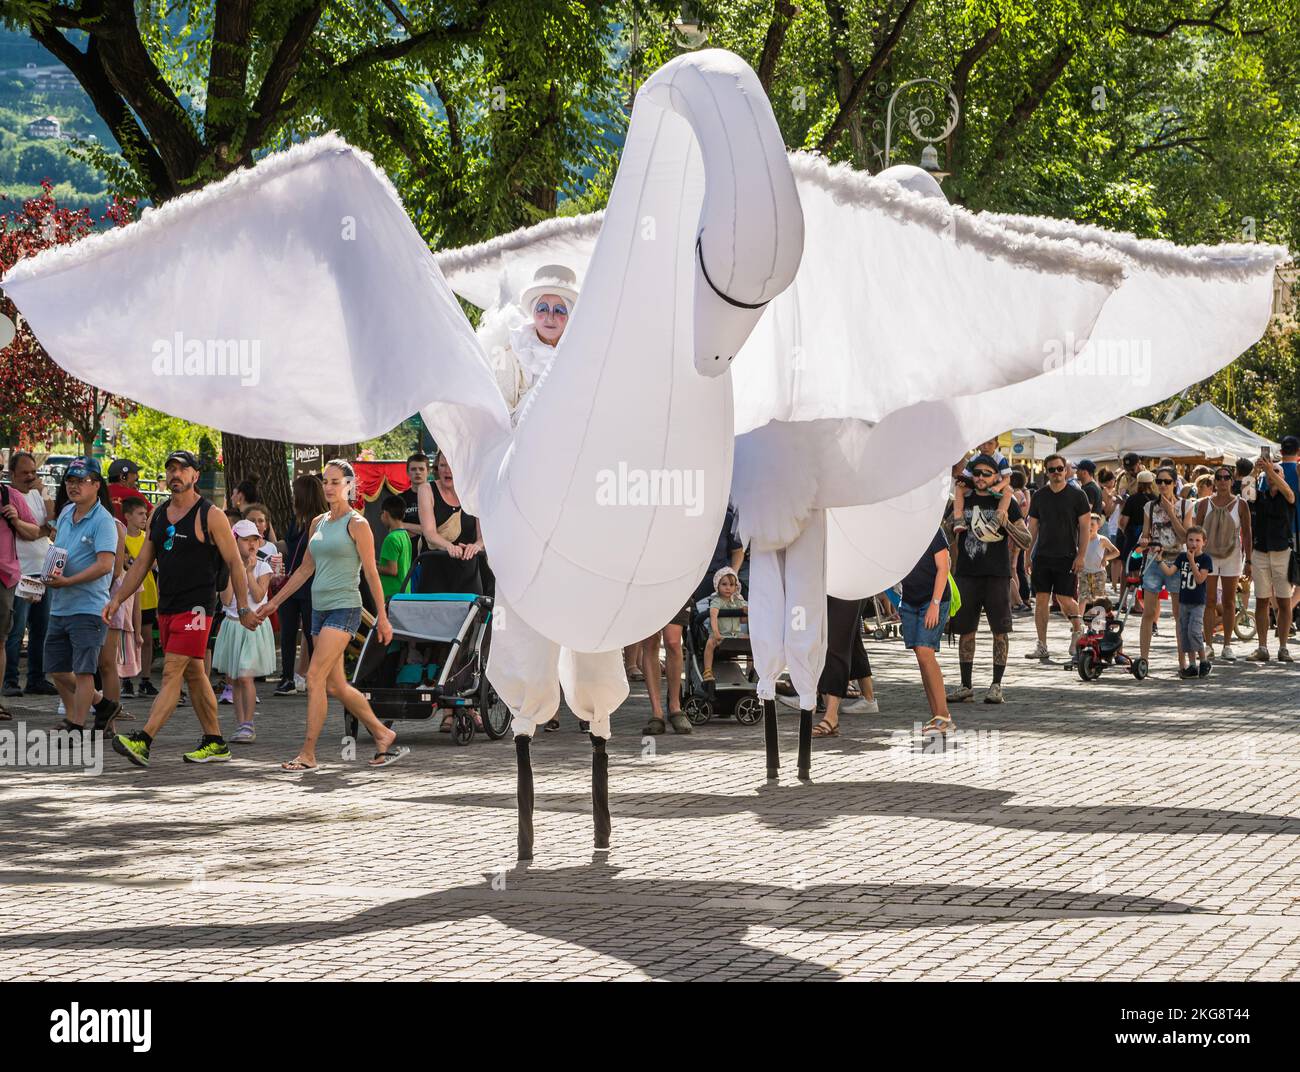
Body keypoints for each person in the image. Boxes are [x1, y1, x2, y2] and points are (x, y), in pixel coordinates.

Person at [106, 450, 257, 768]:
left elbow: (234, 562)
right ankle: (215, 741)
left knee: (173, 669)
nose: (175, 474)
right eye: (170, 468)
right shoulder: (159, 514)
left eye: (182, 469)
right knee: (194, 674)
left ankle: (144, 740)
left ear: (195, 476)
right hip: (168, 606)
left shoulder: (210, 514)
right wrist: (118, 598)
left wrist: (243, 606)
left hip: (197, 608)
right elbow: (143, 564)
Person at [257, 459, 404, 771]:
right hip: (319, 609)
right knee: (335, 686)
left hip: (345, 607)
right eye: (325, 481)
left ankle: (308, 754)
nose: (328, 487)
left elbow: (372, 575)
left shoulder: (358, 524)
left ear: (349, 485)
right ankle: (382, 732)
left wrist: (383, 616)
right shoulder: (318, 523)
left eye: (335, 481)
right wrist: (274, 602)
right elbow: (305, 569)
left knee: (314, 677)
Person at [946, 453, 1030, 702]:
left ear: (996, 476)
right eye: (978, 473)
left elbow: (1026, 540)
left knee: (999, 631)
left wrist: (1007, 525)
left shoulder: (1007, 502)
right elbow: (945, 533)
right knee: (966, 631)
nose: (981, 478)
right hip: (966, 574)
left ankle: (996, 685)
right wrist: (952, 524)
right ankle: (965, 685)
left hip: (997, 574)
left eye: (987, 473)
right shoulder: (963, 500)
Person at [42, 458, 116, 732]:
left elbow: (106, 564)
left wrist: (70, 580)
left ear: (96, 484)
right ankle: (103, 704)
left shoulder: (104, 520)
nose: (73, 487)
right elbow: (59, 552)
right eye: (70, 481)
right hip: (60, 604)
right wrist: (45, 579)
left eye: (80, 481)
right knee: (57, 670)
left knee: (84, 671)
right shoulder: (65, 512)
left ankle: (75, 724)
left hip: (88, 607)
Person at [213, 520, 277, 744]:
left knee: (245, 676)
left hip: (253, 626)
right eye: (245, 540)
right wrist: (235, 570)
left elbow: (259, 596)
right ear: (234, 541)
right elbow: (227, 599)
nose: (251, 544)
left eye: (255, 539)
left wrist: (248, 572)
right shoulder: (226, 567)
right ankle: (240, 724)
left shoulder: (263, 567)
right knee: (236, 680)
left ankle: (249, 724)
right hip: (233, 624)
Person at [3, 451, 57, 699]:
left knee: (41, 628)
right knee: (17, 629)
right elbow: (26, 532)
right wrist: (41, 530)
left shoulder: (37, 494)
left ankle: (37, 678)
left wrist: (44, 491)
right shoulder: (9, 496)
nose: (30, 476)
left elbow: (53, 522)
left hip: (43, 570)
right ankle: (10, 679)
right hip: (22, 571)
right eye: (24, 472)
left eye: (33, 472)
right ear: (12, 474)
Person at [274, 474, 328, 696]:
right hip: (292, 584)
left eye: (295, 493)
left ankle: (318, 676)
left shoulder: (320, 522)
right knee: (288, 632)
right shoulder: (297, 521)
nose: (292, 497)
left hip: (310, 585)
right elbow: (288, 546)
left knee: (310, 632)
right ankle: (287, 677)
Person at [1136, 465, 1195, 666]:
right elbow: (1145, 533)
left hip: (1177, 560)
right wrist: (1143, 540)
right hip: (1154, 560)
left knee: (1179, 614)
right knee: (1148, 612)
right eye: (1159, 481)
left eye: (1166, 481)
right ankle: (1143, 659)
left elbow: (1185, 537)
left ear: (1174, 483)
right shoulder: (1149, 507)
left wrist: (1170, 511)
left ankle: (1182, 662)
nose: (1162, 485)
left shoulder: (1186, 505)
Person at [899, 528, 954, 734]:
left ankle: (944, 717)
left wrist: (935, 603)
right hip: (910, 600)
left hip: (934, 600)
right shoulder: (899, 533)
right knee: (921, 657)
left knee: (925, 652)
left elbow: (943, 568)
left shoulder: (932, 529)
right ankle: (938, 716)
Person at [1194, 466, 1252, 662]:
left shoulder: (1241, 504)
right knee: (1209, 601)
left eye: (1226, 477)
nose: (1222, 481)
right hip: (1209, 557)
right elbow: (1196, 531)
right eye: (1218, 477)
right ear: (1214, 481)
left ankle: (1227, 645)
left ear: (1231, 480)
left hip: (1232, 555)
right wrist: (1195, 556)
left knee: (1228, 601)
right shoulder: (1204, 504)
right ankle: (1208, 644)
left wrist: (1249, 560)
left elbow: (1247, 532)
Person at [1246, 448, 1297, 662]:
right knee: (1261, 601)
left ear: (1282, 475)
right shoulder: (1260, 496)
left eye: (1276, 472)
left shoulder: (1288, 496)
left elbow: (1289, 494)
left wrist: (1271, 470)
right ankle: (1262, 647)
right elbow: (1246, 493)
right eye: (1269, 474)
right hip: (1260, 552)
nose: (1272, 475)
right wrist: (1256, 472)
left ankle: (1283, 647)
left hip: (1282, 553)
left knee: (1284, 602)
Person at [0, 459, 41, 720]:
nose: (30, 476)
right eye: (24, 472)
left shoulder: (10, 496)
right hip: (18, 575)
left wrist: (15, 520)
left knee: (1, 641)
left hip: (6, 577)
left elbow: (34, 530)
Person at [415, 451, 484, 597]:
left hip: (467, 572)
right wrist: (450, 547)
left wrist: (476, 546)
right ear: (437, 468)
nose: (447, 470)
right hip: (435, 571)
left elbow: (483, 536)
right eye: (442, 465)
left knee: (472, 617)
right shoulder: (426, 490)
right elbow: (429, 533)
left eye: (452, 465)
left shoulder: (474, 491)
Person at [810, 593, 876, 736]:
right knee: (828, 641)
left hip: (850, 586)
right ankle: (828, 711)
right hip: (825, 584)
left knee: (836, 644)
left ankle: (831, 716)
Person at [118, 496, 158, 697]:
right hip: (128, 594)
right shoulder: (121, 538)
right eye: (140, 514)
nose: (144, 517)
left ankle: (146, 679)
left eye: (145, 514)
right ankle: (125, 679)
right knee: (127, 637)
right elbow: (125, 565)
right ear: (127, 516)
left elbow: (151, 563)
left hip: (148, 593)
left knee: (146, 638)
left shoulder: (147, 538)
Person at [1161, 526, 1213, 679]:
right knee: (1184, 633)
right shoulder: (1182, 557)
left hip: (1197, 602)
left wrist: (1191, 561)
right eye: (1190, 540)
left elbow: (1199, 579)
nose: (1194, 544)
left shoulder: (1205, 559)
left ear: (1204, 542)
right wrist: (1159, 561)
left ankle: (1204, 661)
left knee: (1194, 632)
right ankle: (1192, 665)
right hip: (1184, 602)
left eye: (1198, 540)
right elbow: (1170, 572)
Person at [377, 494, 413, 601]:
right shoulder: (404, 535)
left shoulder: (391, 538)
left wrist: (369, 568)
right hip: (404, 591)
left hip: (393, 595)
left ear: (385, 514)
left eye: (381, 514)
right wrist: (374, 563)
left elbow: (392, 570)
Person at [1080, 513, 1120, 606]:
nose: (1089, 527)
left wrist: (1105, 558)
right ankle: (1080, 618)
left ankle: (1099, 617)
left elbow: (1116, 552)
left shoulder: (1102, 539)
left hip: (1099, 572)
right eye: (1088, 524)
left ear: (1098, 526)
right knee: (1083, 597)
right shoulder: (1081, 538)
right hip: (1084, 572)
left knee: (1098, 598)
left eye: (1092, 524)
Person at [1008, 468, 1032, 612]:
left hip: (1013, 533)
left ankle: (1017, 600)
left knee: (1011, 568)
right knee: (1015, 568)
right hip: (1021, 530)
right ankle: (1020, 598)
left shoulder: (1014, 495)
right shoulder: (1024, 494)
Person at [398, 452, 430, 558]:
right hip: (406, 553)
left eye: (421, 469)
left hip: (430, 553)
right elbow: (394, 528)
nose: (417, 473)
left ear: (428, 472)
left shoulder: (436, 496)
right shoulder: (400, 499)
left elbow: (437, 530)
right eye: (413, 469)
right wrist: (423, 529)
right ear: (407, 472)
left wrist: (405, 525)